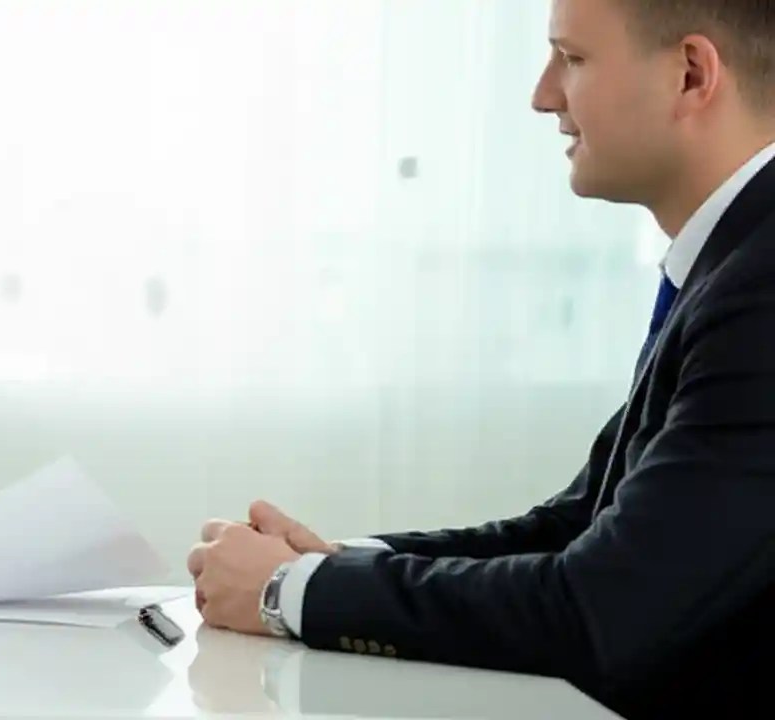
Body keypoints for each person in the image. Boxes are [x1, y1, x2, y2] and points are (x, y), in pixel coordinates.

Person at [187, 0, 775, 717]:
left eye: (573, 58)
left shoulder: (762, 287)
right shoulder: (737, 264)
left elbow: (600, 608)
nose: (542, 94)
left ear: (690, 75)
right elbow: (579, 524)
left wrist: (287, 594)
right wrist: (326, 567)